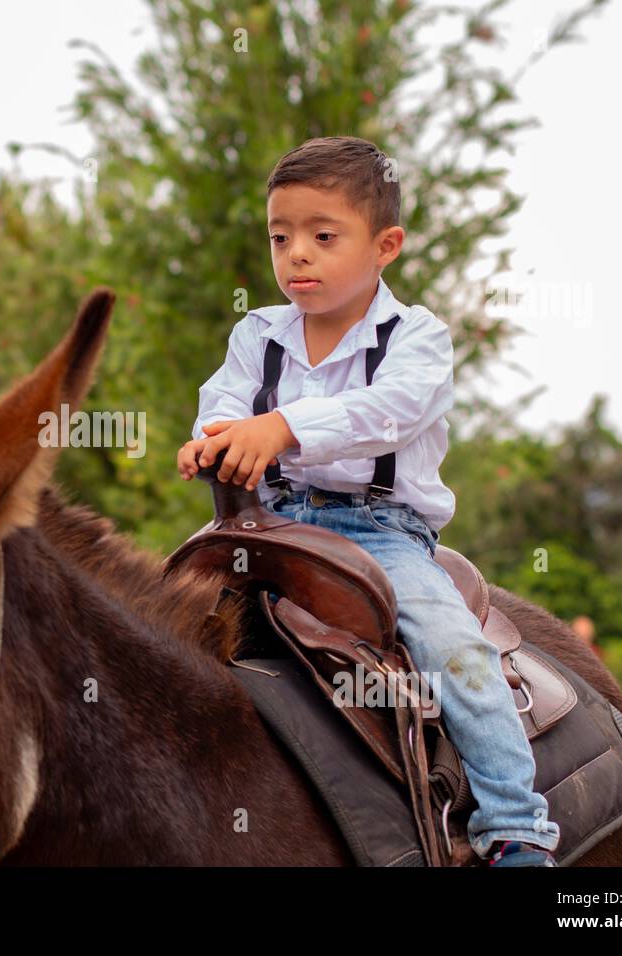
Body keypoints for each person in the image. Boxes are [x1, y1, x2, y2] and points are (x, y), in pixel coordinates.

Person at [175, 137, 561, 867]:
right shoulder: (256, 334)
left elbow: (392, 411)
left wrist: (283, 427)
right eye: (281, 237)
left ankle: (516, 826)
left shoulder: (418, 339)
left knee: (454, 652)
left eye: (323, 236)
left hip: (377, 535)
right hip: (264, 525)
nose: (297, 255)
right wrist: (210, 442)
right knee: (157, 622)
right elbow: (222, 404)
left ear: (386, 246)